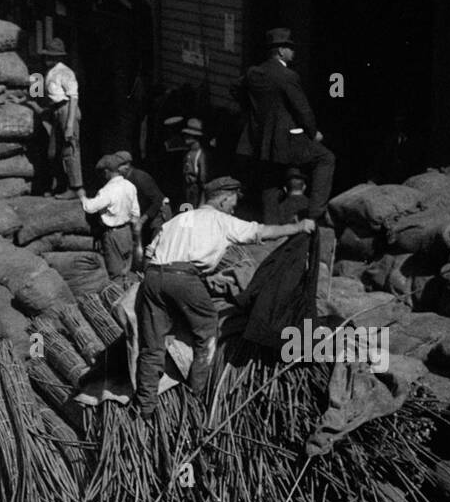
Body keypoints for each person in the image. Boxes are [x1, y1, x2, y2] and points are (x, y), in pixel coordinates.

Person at [134, 175, 315, 420]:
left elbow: (149, 253)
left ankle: (146, 407)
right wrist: (298, 227)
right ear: (224, 198)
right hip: (183, 278)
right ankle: (196, 394)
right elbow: (260, 232)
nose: (234, 207)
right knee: (208, 332)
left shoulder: (180, 219)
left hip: (153, 276)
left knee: (151, 345)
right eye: (232, 202)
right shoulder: (221, 221)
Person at [234, 28, 335, 222]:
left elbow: (235, 89)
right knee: (326, 158)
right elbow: (303, 110)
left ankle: (271, 225)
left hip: (262, 142)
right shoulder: (288, 76)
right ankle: (316, 214)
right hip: (287, 141)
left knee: (271, 180)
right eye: (290, 48)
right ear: (281, 51)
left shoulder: (254, 73)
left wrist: (257, 113)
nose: (293, 52)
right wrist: (313, 133)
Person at [80, 154, 143, 279]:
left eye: (103, 173)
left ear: (106, 172)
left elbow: (90, 207)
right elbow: (136, 213)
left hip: (112, 235)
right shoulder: (129, 186)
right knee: (126, 268)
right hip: (126, 231)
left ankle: (118, 294)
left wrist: (82, 196)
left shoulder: (107, 190)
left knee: (115, 273)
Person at [41, 38, 82, 199]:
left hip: (67, 110)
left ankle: (75, 187)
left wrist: (70, 125)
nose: (47, 59)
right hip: (57, 110)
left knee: (70, 149)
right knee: (53, 152)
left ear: (58, 57)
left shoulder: (65, 72)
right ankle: (61, 184)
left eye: (50, 56)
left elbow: (73, 97)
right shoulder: (50, 71)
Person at [116, 151, 171, 247]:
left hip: (159, 213)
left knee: (157, 249)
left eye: (118, 166)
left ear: (127, 165)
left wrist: (141, 222)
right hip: (147, 215)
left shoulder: (140, 177)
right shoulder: (124, 180)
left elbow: (157, 200)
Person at [180, 118, 208, 208]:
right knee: (186, 206)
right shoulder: (188, 152)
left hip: (195, 187)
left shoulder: (200, 154)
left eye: (188, 135)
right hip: (186, 185)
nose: (185, 137)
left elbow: (203, 176)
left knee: (194, 207)